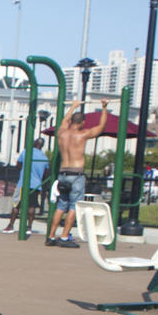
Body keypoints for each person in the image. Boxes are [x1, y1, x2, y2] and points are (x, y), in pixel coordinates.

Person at [46, 100, 109, 247]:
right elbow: (101, 127)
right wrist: (104, 108)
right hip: (76, 174)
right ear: (82, 123)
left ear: (71, 121)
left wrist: (73, 106)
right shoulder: (83, 134)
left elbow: (64, 121)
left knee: (61, 206)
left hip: (63, 173)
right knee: (74, 206)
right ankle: (64, 237)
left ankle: (51, 236)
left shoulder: (61, 133)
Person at [1, 138, 50, 233]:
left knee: (16, 205)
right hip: (36, 185)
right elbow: (46, 173)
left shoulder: (26, 152)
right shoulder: (44, 158)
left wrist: (24, 170)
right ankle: (29, 227)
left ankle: (11, 225)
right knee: (32, 206)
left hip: (23, 183)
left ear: (34, 143)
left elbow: (18, 164)